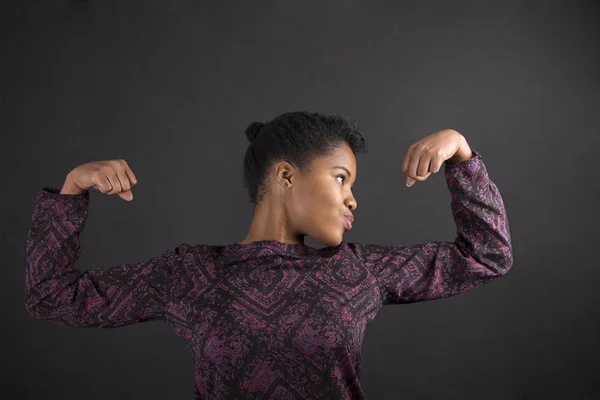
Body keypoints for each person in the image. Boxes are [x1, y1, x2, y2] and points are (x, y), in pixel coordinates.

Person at [25, 111, 513, 399]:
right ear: (285, 177)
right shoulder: (191, 273)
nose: (352, 199)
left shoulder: (359, 271)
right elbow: (51, 295)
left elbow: (486, 256)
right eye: (341, 177)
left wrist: (463, 157)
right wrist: (71, 192)